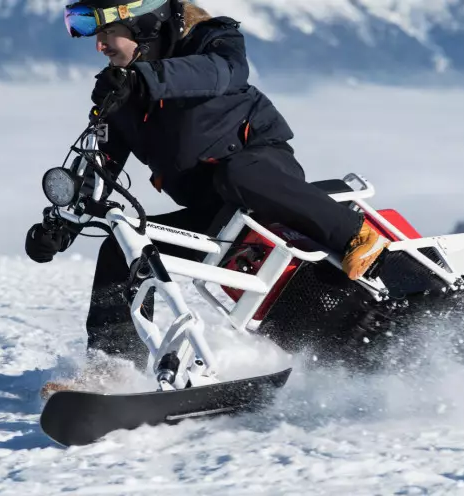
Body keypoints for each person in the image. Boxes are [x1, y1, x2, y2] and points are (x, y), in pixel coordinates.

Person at [25, 0, 389, 371]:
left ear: (142, 24)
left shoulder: (212, 40)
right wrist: (61, 225)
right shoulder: (120, 91)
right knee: (121, 251)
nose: (100, 46)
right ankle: (113, 373)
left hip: (265, 181)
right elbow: (100, 167)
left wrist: (144, 81)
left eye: (107, 33)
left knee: (238, 175)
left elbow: (225, 72)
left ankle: (353, 235)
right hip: (212, 215)